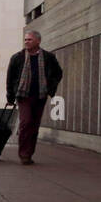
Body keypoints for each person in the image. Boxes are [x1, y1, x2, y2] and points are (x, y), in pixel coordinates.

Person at [6, 29, 63, 165]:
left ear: (38, 41)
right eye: (25, 39)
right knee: (25, 123)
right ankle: (24, 154)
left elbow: (58, 73)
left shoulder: (49, 57)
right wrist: (10, 96)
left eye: (29, 39)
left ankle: (29, 153)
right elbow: (10, 78)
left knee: (34, 125)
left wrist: (50, 87)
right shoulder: (17, 57)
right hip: (23, 95)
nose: (26, 42)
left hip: (40, 95)